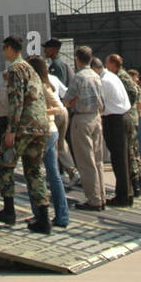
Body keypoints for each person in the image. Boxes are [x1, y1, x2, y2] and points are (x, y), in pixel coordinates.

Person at [0, 37, 50, 231]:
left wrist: (11, 130)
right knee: (35, 170)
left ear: (11, 49)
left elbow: (17, 101)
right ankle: (44, 219)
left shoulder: (15, 69)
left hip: (23, 125)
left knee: (5, 165)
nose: (3, 52)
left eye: (4, 48)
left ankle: (9, 211)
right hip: (40, 126)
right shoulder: (31, 69)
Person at [62, 45, 106, 210]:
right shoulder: (96, 76)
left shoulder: (79, 77)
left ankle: (93, 199)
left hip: (82, 119)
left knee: (86, 161)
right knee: (98, 160)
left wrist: (72, 101)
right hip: (96, 117)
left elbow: (67, 99)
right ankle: (101, 196)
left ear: (77, 59)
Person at [28, 55, 69, 229]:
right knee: (51, 174)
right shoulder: (44, 84)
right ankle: (60, 215)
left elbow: (59, 108)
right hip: (50, 131)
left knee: (37, 173)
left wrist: (41, 112)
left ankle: (44, 214)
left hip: (44, 131)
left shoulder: (42, 86)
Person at [99, 57, 133, 206]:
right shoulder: (112, 76)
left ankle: (123, 196)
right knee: (123, 159)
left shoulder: (104, 81)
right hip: (123, 116)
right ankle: (126, 192)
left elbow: (100, 104)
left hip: (115, 120)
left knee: (119, 160)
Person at [109, 54, 141, 198]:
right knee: (133, 150)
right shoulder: (122, 76)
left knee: (130, 151)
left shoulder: (121, 76)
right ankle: (137, 183)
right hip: (131, 115)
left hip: (128, 115)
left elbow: (134, 92)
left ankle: (135, 184)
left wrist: (126, 106)